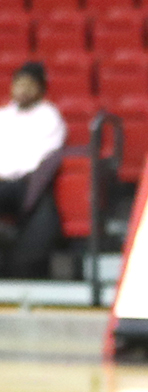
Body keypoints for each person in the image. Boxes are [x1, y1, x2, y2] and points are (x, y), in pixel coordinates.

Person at [0, 62, 65, 278]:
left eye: (29, 84)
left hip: (28, 184)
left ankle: (25, 269)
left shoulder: (48, 116)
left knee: (41, 211)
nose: (23, 89)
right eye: (18, 84)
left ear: (40, 89)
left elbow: (41, 160)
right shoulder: (4, 116)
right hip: (2, 183)